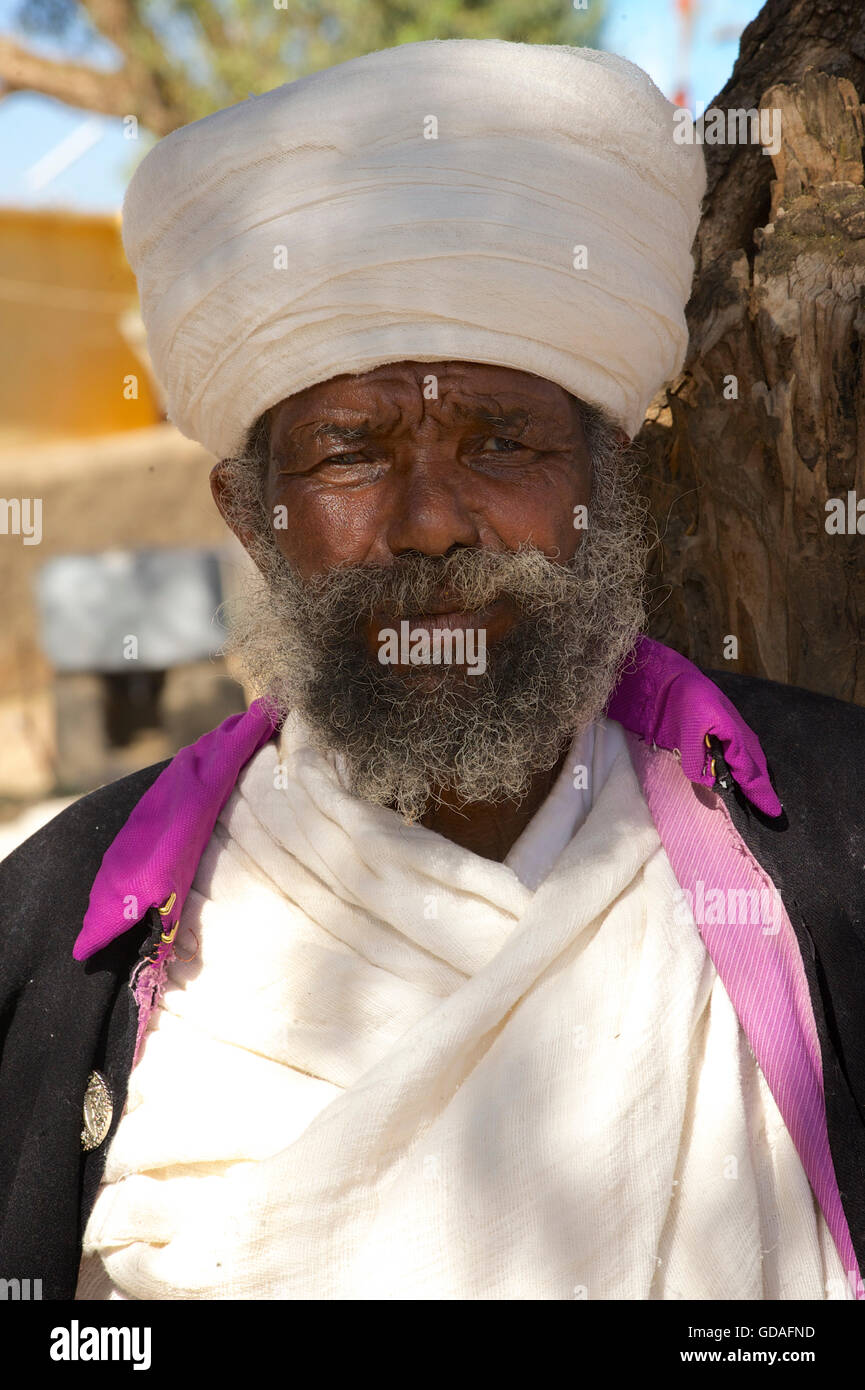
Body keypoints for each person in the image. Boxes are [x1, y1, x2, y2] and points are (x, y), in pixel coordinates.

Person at [2, 39, 864, 1301]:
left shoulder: (836, 839)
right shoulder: (55, 935)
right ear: (250, 517)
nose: (428, 525)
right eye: (350, 452)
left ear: (604, 490)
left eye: (499, 440)